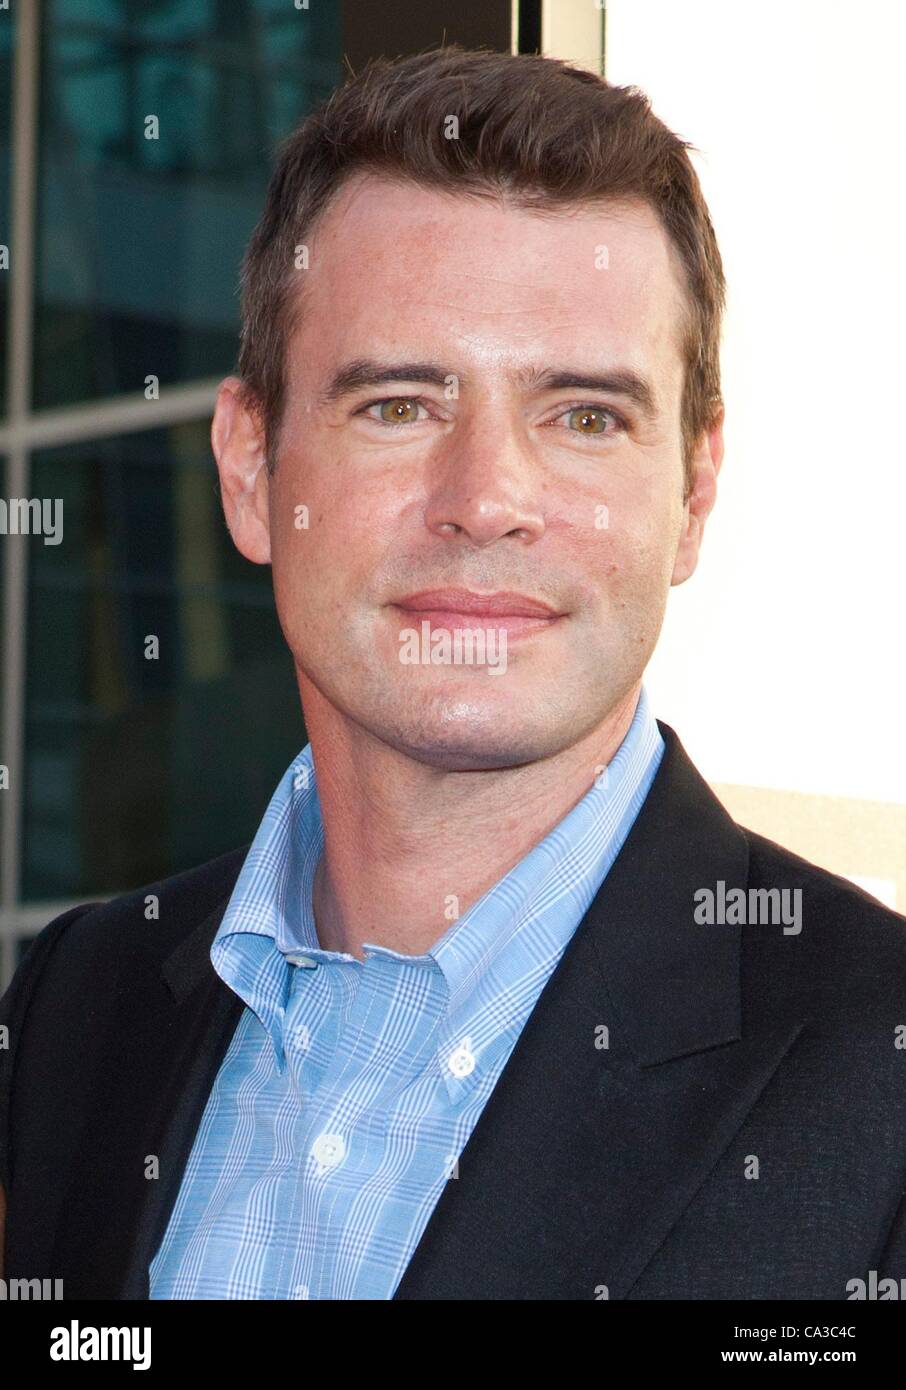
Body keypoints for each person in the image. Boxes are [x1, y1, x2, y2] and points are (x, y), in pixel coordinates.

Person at [2, 44, 905, 1302]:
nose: (486, 500)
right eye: (400, 405)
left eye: (585, 415)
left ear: (693, 495)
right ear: (253, 469)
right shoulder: (77, 1008)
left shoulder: (884, 1077)